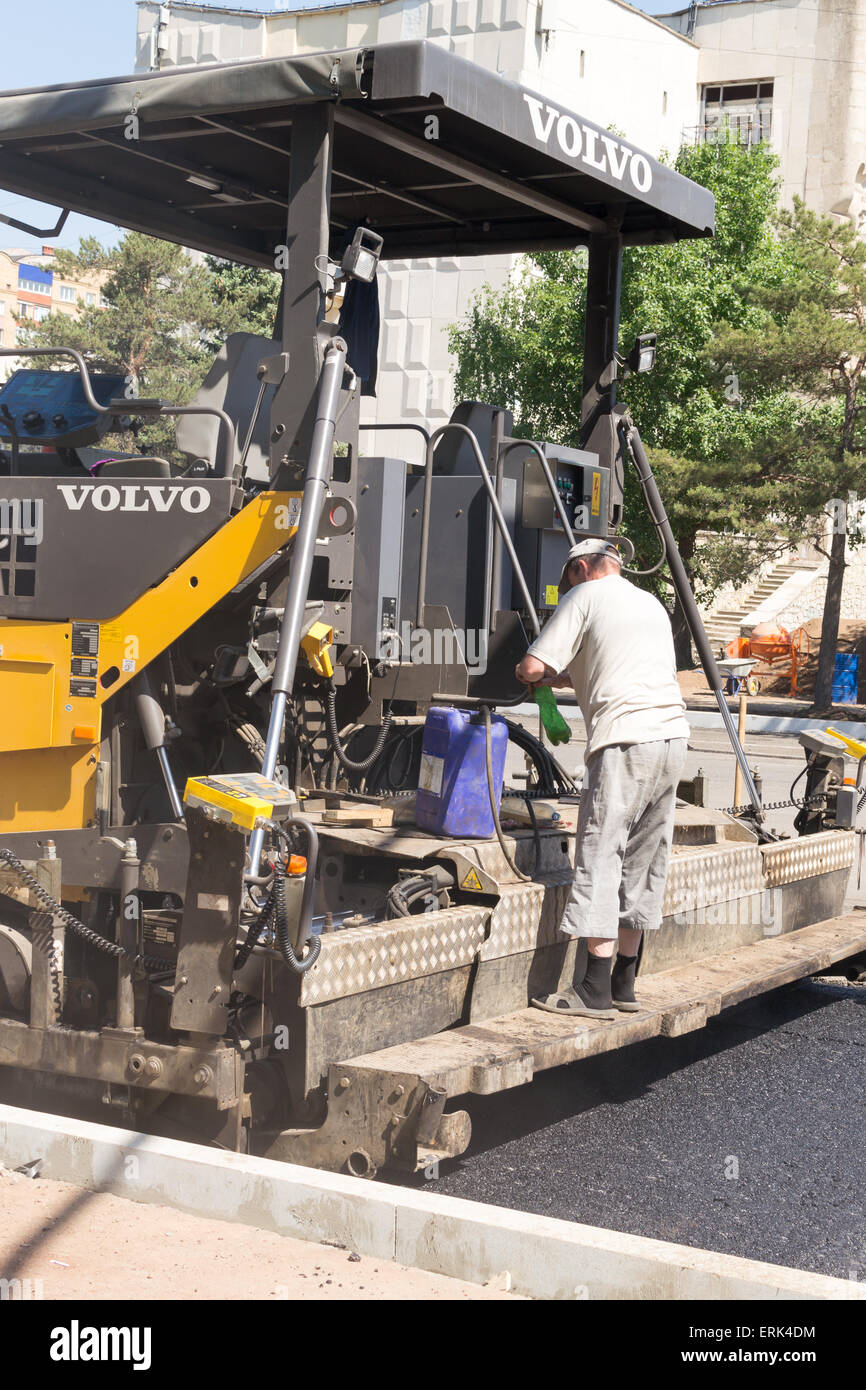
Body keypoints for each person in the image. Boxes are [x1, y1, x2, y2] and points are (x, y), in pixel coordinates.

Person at [514, 538, 689, 1018]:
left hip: (624, 741)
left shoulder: (585, 595)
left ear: (583, 568)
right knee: (646, 858)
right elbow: (614, 667)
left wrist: (529, 672)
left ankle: (592, 989)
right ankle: (624, 983)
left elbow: (533, 665)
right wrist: (566, 679)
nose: (566, 586)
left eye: (567, 577)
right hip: (672, 738)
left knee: (600, 852)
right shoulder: (648, 602)